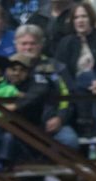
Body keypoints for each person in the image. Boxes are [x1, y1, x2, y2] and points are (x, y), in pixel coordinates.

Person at [13, 23, 78, 151]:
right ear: (16, 45)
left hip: (50, 123)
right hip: (17, 124)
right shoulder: (7, 68)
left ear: (41, 45)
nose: (28, 48)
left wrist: (60, 118)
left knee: (69, 140)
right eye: (24, 44)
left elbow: (67, 96)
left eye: (32, 43)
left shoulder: (56, 67)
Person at [54, 1, 96, 136]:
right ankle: (89, 127)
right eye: (76, 18)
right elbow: (61, 71)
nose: (80, 21)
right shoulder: (66, 42)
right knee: (85, 77)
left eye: (84, 16)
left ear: (91, 18)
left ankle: (90, 126)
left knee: (89, 75)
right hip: (74, 89)